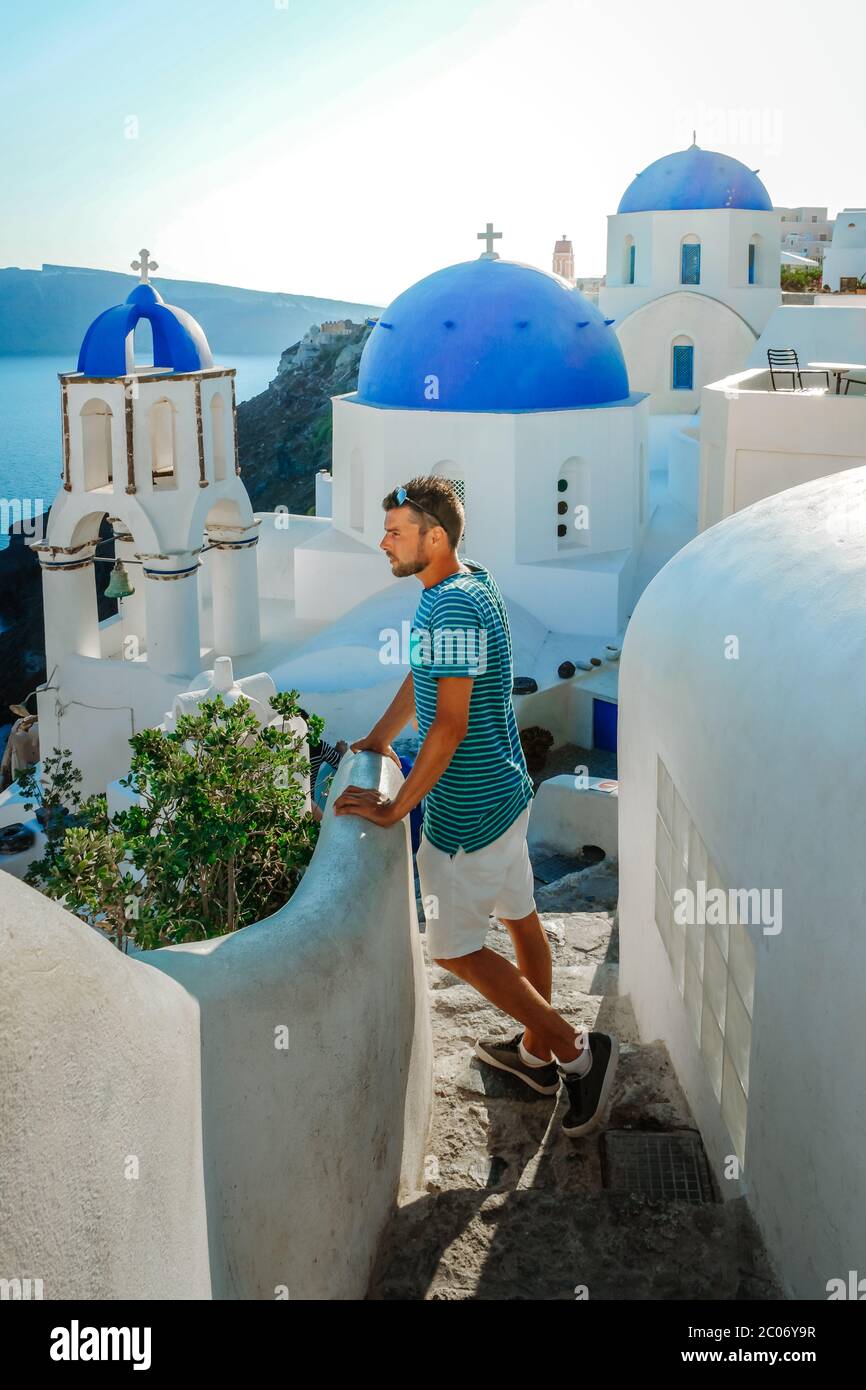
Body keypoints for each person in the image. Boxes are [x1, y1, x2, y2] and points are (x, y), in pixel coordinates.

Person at [333, 476, 618, 1138]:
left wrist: (395, 808)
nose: (383, 542)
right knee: (521, 919)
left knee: (456, 950)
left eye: (396, 532)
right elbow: (425, 675)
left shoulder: (452, 609)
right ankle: (536, 1055)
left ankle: (577, 1053)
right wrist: (379, 736)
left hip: (468, 817)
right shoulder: (468, 583)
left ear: (435, 538)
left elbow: (450, 726)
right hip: (508, 793)